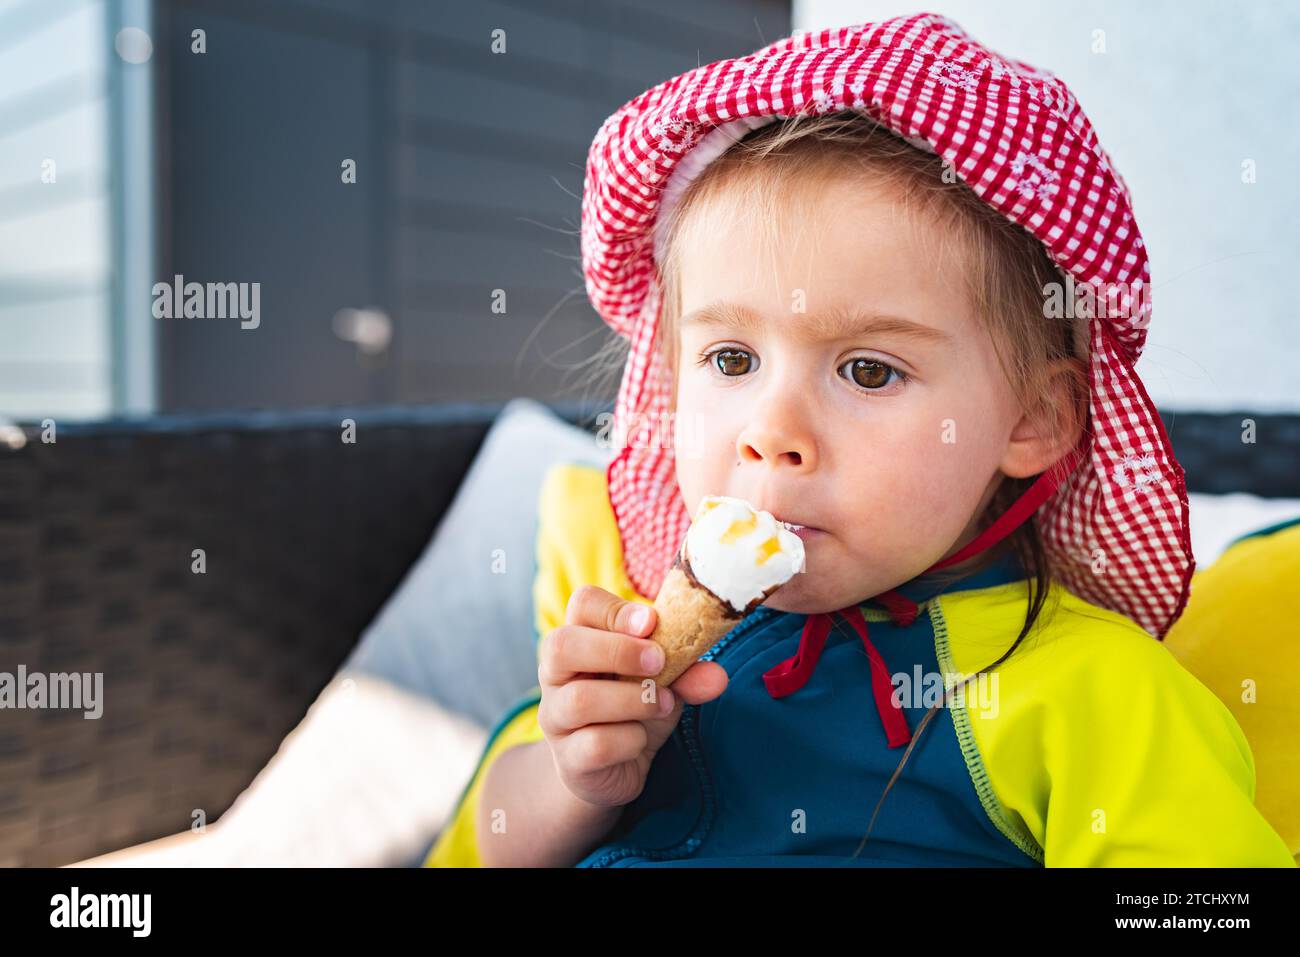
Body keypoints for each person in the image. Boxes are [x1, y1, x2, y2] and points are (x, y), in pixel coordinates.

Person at [425, 12, 1295, 867]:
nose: (772, 432)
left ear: (1035, 419)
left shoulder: (1091, 691)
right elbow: (483, 842)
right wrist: (574, 777)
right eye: (731, 356)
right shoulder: (640, 637)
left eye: (868, 372)